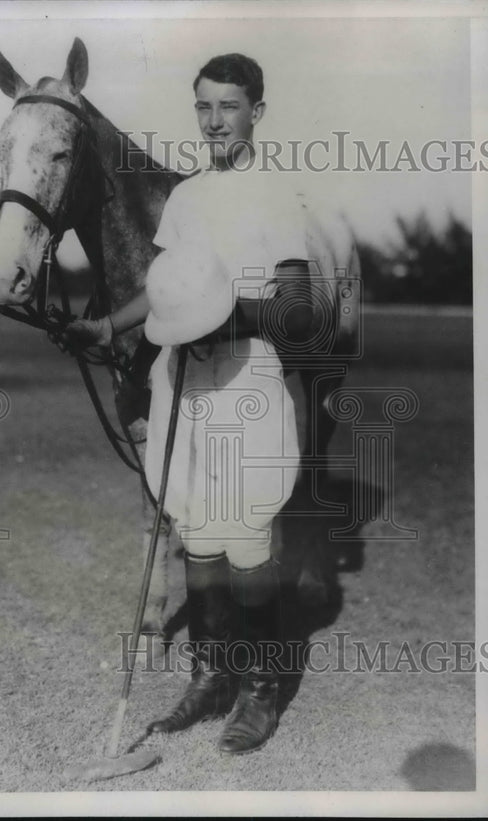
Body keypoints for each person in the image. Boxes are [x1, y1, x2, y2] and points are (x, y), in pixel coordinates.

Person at [66, 53, 311, 754]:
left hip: (247, 379)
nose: (214, 121)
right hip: (186, 378)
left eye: (229, 106)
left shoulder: (277, 194)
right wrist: (108, 325)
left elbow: (298, 310)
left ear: (255, 112)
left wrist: (233, 314)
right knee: (198, 528)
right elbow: (164, 287)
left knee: (247, 538)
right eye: (203, 107)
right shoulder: (186, 196)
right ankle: (211, 675)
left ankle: (261, 685)